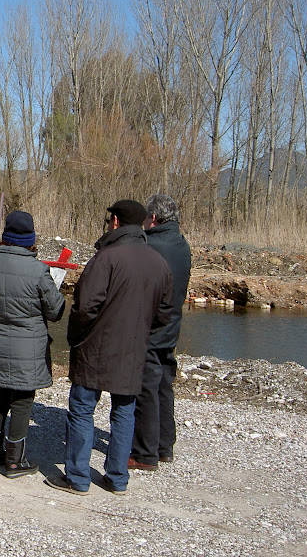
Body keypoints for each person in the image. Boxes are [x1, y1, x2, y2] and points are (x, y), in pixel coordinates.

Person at [45, 199, 174, 496]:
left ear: (115, 222)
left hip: (96, 347)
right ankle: (117, 479)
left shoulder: (106, 258)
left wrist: (76, 337)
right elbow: (165, 312)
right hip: (133, 349)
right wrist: (140, 333)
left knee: (81, 410)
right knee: (124, 412)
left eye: (108, 220)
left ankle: (77, 478)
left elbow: (85, 307)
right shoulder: (158, 261)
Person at [0, 212, 65, 478]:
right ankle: (14, 461)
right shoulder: (38, 270)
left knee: (0, 397)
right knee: (22, 401)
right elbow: (56, 311)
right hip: (28, 347)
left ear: (5, 236)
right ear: (31, 239)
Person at [128, 195, 192, 470]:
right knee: (164, 386)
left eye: (146, 219)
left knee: (146, 388)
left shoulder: (151, 245)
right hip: (172, 324)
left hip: (151, 326)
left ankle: (145, 453)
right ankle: (165, 446)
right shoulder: (181, 244)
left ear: (153, 219)